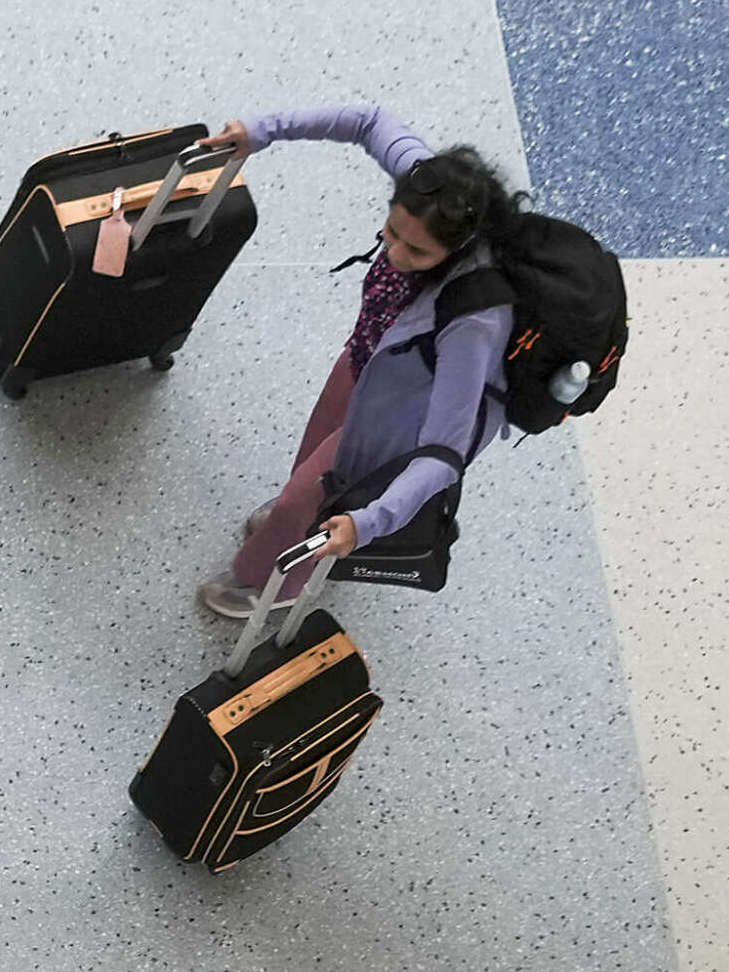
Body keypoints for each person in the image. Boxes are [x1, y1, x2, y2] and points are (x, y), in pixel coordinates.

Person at [192, 107, 521, 619]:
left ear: (459, 248)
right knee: (307, 467)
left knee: (306, 497)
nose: (396, 254)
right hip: (369, 358)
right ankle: (292, 528)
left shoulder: (474, 321)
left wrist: (369, 523)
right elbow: (369, 122)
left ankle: (274, 581)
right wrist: (260, 132)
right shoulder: (430, 193)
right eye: (391, 232)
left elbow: (444, 453)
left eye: (418, 252)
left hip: (399, 417)